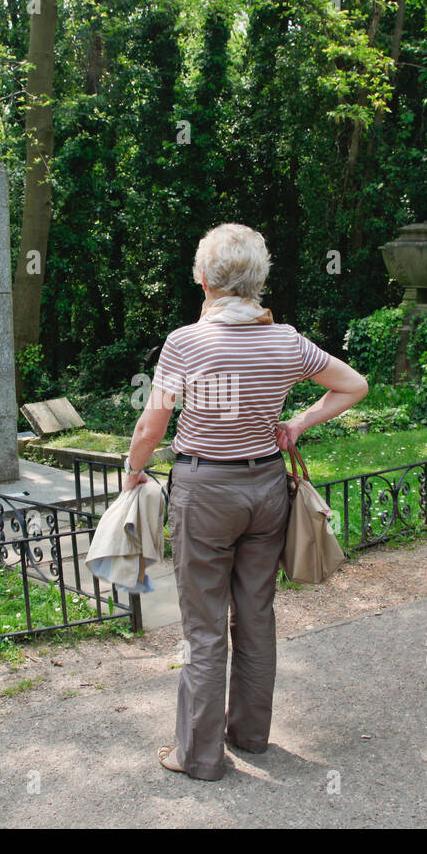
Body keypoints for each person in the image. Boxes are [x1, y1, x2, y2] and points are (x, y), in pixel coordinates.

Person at [124, 223, 367, 780]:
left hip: (206, 492)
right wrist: (299, 423)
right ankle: (251, 735)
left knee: (205, 626)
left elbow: (152, 422)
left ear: (204, 278)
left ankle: (200, 756)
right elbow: (353, 384)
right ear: (257, 280)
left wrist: (134, 470)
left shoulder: (186, 342)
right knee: (256, 616)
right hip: (266, 490)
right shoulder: (287, 341)